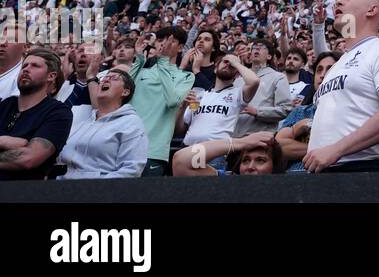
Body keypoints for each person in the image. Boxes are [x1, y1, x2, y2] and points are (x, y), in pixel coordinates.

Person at [304, 0, 379, 172]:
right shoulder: (339, 63)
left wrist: (336, 149)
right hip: (322, 168)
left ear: (372, 9)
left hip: (363, 168)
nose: (339, 1)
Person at [177, 53, 261, 174]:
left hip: (215, 152)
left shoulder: (237, 94)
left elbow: (254, 81)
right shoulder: (200, 95)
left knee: (209, 190)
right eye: (225, 62)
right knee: (185, 190)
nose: (228, 64)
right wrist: (182, 108)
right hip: (188, 149)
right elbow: (180, 129)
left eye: (231, 64)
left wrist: (236, 63)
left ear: (237, 73)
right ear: (216, 69)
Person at [59, 66, 149, 179]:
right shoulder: (85, 122)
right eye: (104, 78)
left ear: (125, 92)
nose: (105, 80)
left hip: (98, 191)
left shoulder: (131, 123)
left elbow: (131, 170)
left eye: (114, 78)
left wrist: (98, 188)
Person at [128, 26, 194, 176]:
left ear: (180, 48)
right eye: (159, 40)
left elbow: (172, 101)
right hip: (125, 146)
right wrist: (138, 60)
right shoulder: (143, 71)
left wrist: (163, 62)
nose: (162, 44)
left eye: (170, 40)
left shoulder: (185, 76)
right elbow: (123, 94)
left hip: (153, 151)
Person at [0, 48, 74, 180]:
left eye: (35, 66)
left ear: (51, 76)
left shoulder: (58, 113)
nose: (26, 69)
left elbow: (28, 158)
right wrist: (10, 142)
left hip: (20, 193)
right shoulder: (5, 105)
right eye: (24, 66)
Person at [275, 51, 339, 174]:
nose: (323, 75)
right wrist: (295, 128)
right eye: (319, 70)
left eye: (330, 69)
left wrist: (297, 145)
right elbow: (278, 147)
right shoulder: (301, 112)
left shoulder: (352, 109)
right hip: (296, 177)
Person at [233, 38, 292, 137]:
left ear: (269, 56)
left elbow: (285, 109)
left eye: (261, 48)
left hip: (261, 137)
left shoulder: (278, 77)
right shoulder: (238, 80)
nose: (256, 50)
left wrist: (257, 112)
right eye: (254, 48)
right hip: (234, 138)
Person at [172, 130, 283, 177]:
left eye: (260, 160)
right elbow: (181, 161)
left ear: (274, 166)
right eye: (245, 160)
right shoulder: (228, 180)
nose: (250, 167)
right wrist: (242, 142)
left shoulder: (284, 190)